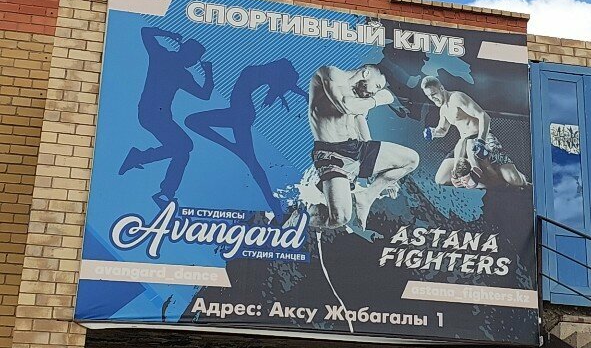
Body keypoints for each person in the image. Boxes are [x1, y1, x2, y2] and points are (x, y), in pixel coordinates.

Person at [186, 59, 306, 220]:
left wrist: (297, 93)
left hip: (240, 113)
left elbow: (287, 84)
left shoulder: (261, 73)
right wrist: (299, 93)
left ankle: (272, 202)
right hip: (238, 112)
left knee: (193, 121)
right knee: (193, 121)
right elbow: (287, 84)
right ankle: (272, 202)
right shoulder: (261, 72)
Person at [309, 64, 419, 230]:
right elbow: (344, 106)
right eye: (377, 86)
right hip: (332, 154)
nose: (375, 91)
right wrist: (381, 98)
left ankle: (367, 197)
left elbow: (359, 120)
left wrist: (377, 173)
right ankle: (304, 216)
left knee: (411, 160)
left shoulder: (360, 98)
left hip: (358, 149)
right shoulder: (331, 74)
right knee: (340, 218)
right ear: (366, 73)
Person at [119, 27, 213, 208]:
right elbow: (145, 31)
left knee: (182, 151)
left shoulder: (168, 62)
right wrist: (208, 73)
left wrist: (170, 34)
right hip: (152, 114)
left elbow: (204, 95)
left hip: (155, 115)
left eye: (195, 60)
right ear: (186, 52)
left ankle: (164, 191)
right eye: (193, 58)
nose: (193, 62)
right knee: (185, 147)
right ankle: (143, 163)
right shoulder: (164, 59)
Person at [421, 76, 527, 189]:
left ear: (441, 88)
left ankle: (518, 179)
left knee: (514, 180)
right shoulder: (443, 110)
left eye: (434, 94)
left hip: (482, 139)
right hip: (464, 144)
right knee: (441, 179)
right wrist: (432, 132)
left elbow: (484, 116)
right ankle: (476, 171)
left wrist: (481, 141)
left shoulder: (457, 98)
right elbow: (442, 130)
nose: (432, 98)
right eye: (428, 96)